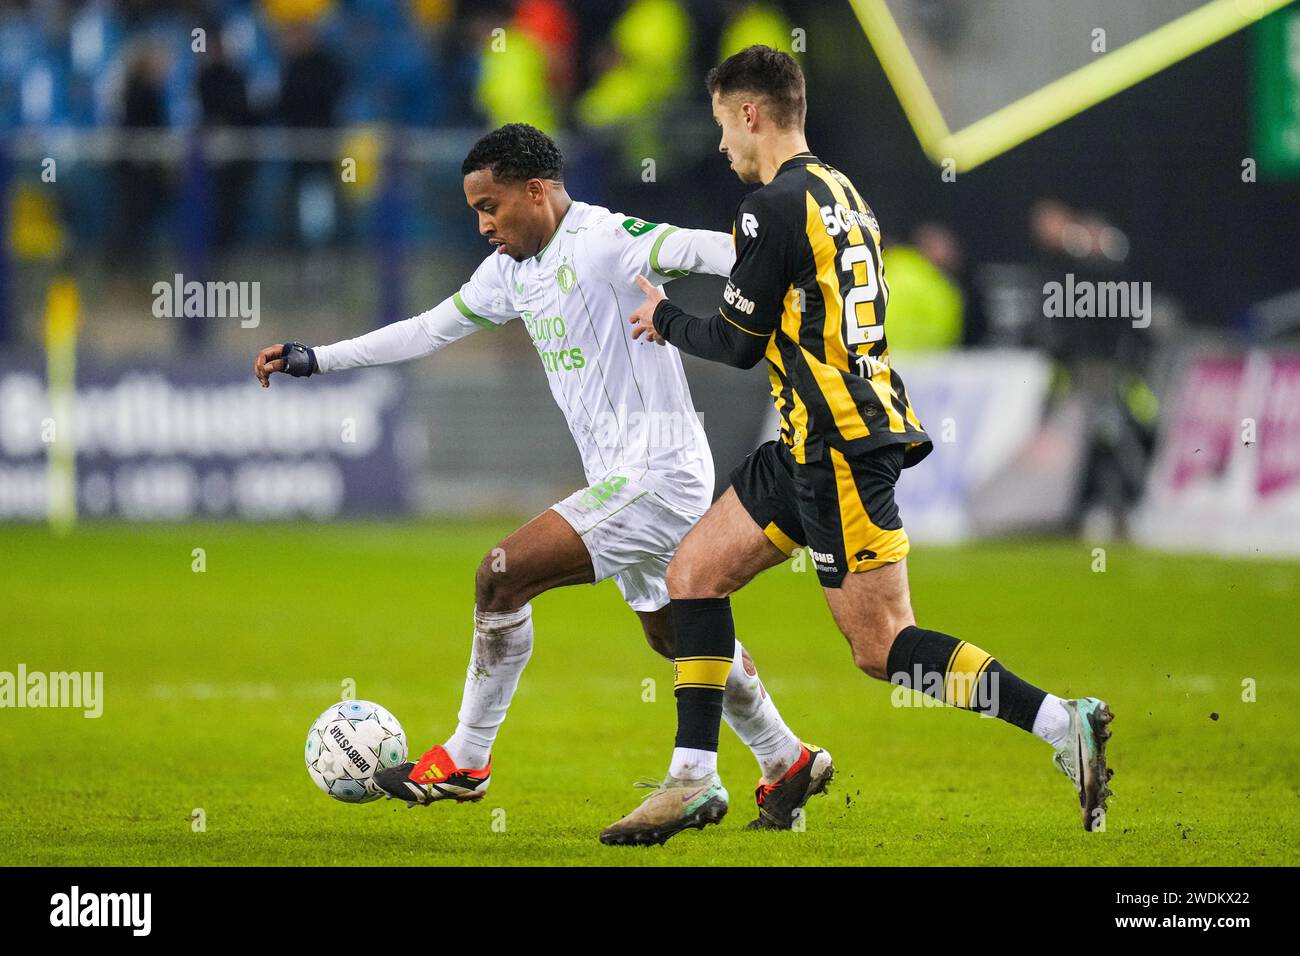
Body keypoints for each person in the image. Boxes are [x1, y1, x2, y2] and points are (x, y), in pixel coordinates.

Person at [599, 46, 1113, 846]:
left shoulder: (770, 207)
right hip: (812, 441)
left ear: (750, 113)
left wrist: (662, 316)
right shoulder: (841, 191)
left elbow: (737, 343)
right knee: (692, 577)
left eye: (722, 128)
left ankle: (1058, 720)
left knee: (883, 648)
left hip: (837, 445)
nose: (721, 148)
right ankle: (696, 778)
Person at [253, 124, 833, 832]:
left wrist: (806, 260)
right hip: (625, 475)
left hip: (659, 469)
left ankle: (467, 758)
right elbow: (428, 329)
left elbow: (709, 248)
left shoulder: (609, 239)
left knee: (500, 575)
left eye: (490, 206)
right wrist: (318, 359)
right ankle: (786, 758)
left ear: (537, 191)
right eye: (474, 211)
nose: (483, 224)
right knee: (675, 635)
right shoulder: (507, 273)